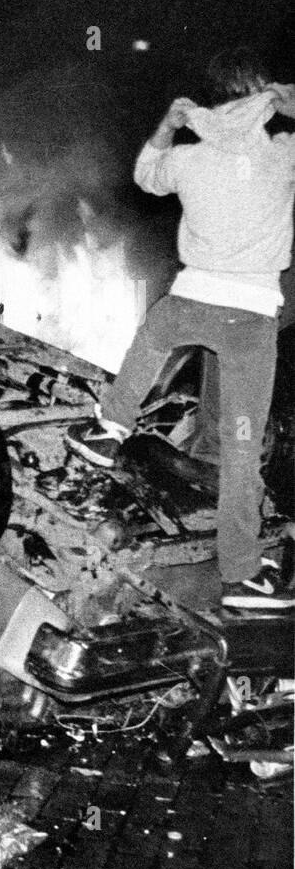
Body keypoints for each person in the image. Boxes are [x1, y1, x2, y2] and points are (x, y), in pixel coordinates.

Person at [67, 47, 295, 610]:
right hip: (252, 315)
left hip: (192, 297)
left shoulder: (189, 160)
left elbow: (145, 175)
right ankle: (240, 576)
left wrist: (168, 126)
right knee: (242, 449)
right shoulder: (286, 154)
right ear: (262, 103)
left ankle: (110, 428)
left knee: (152, 339)